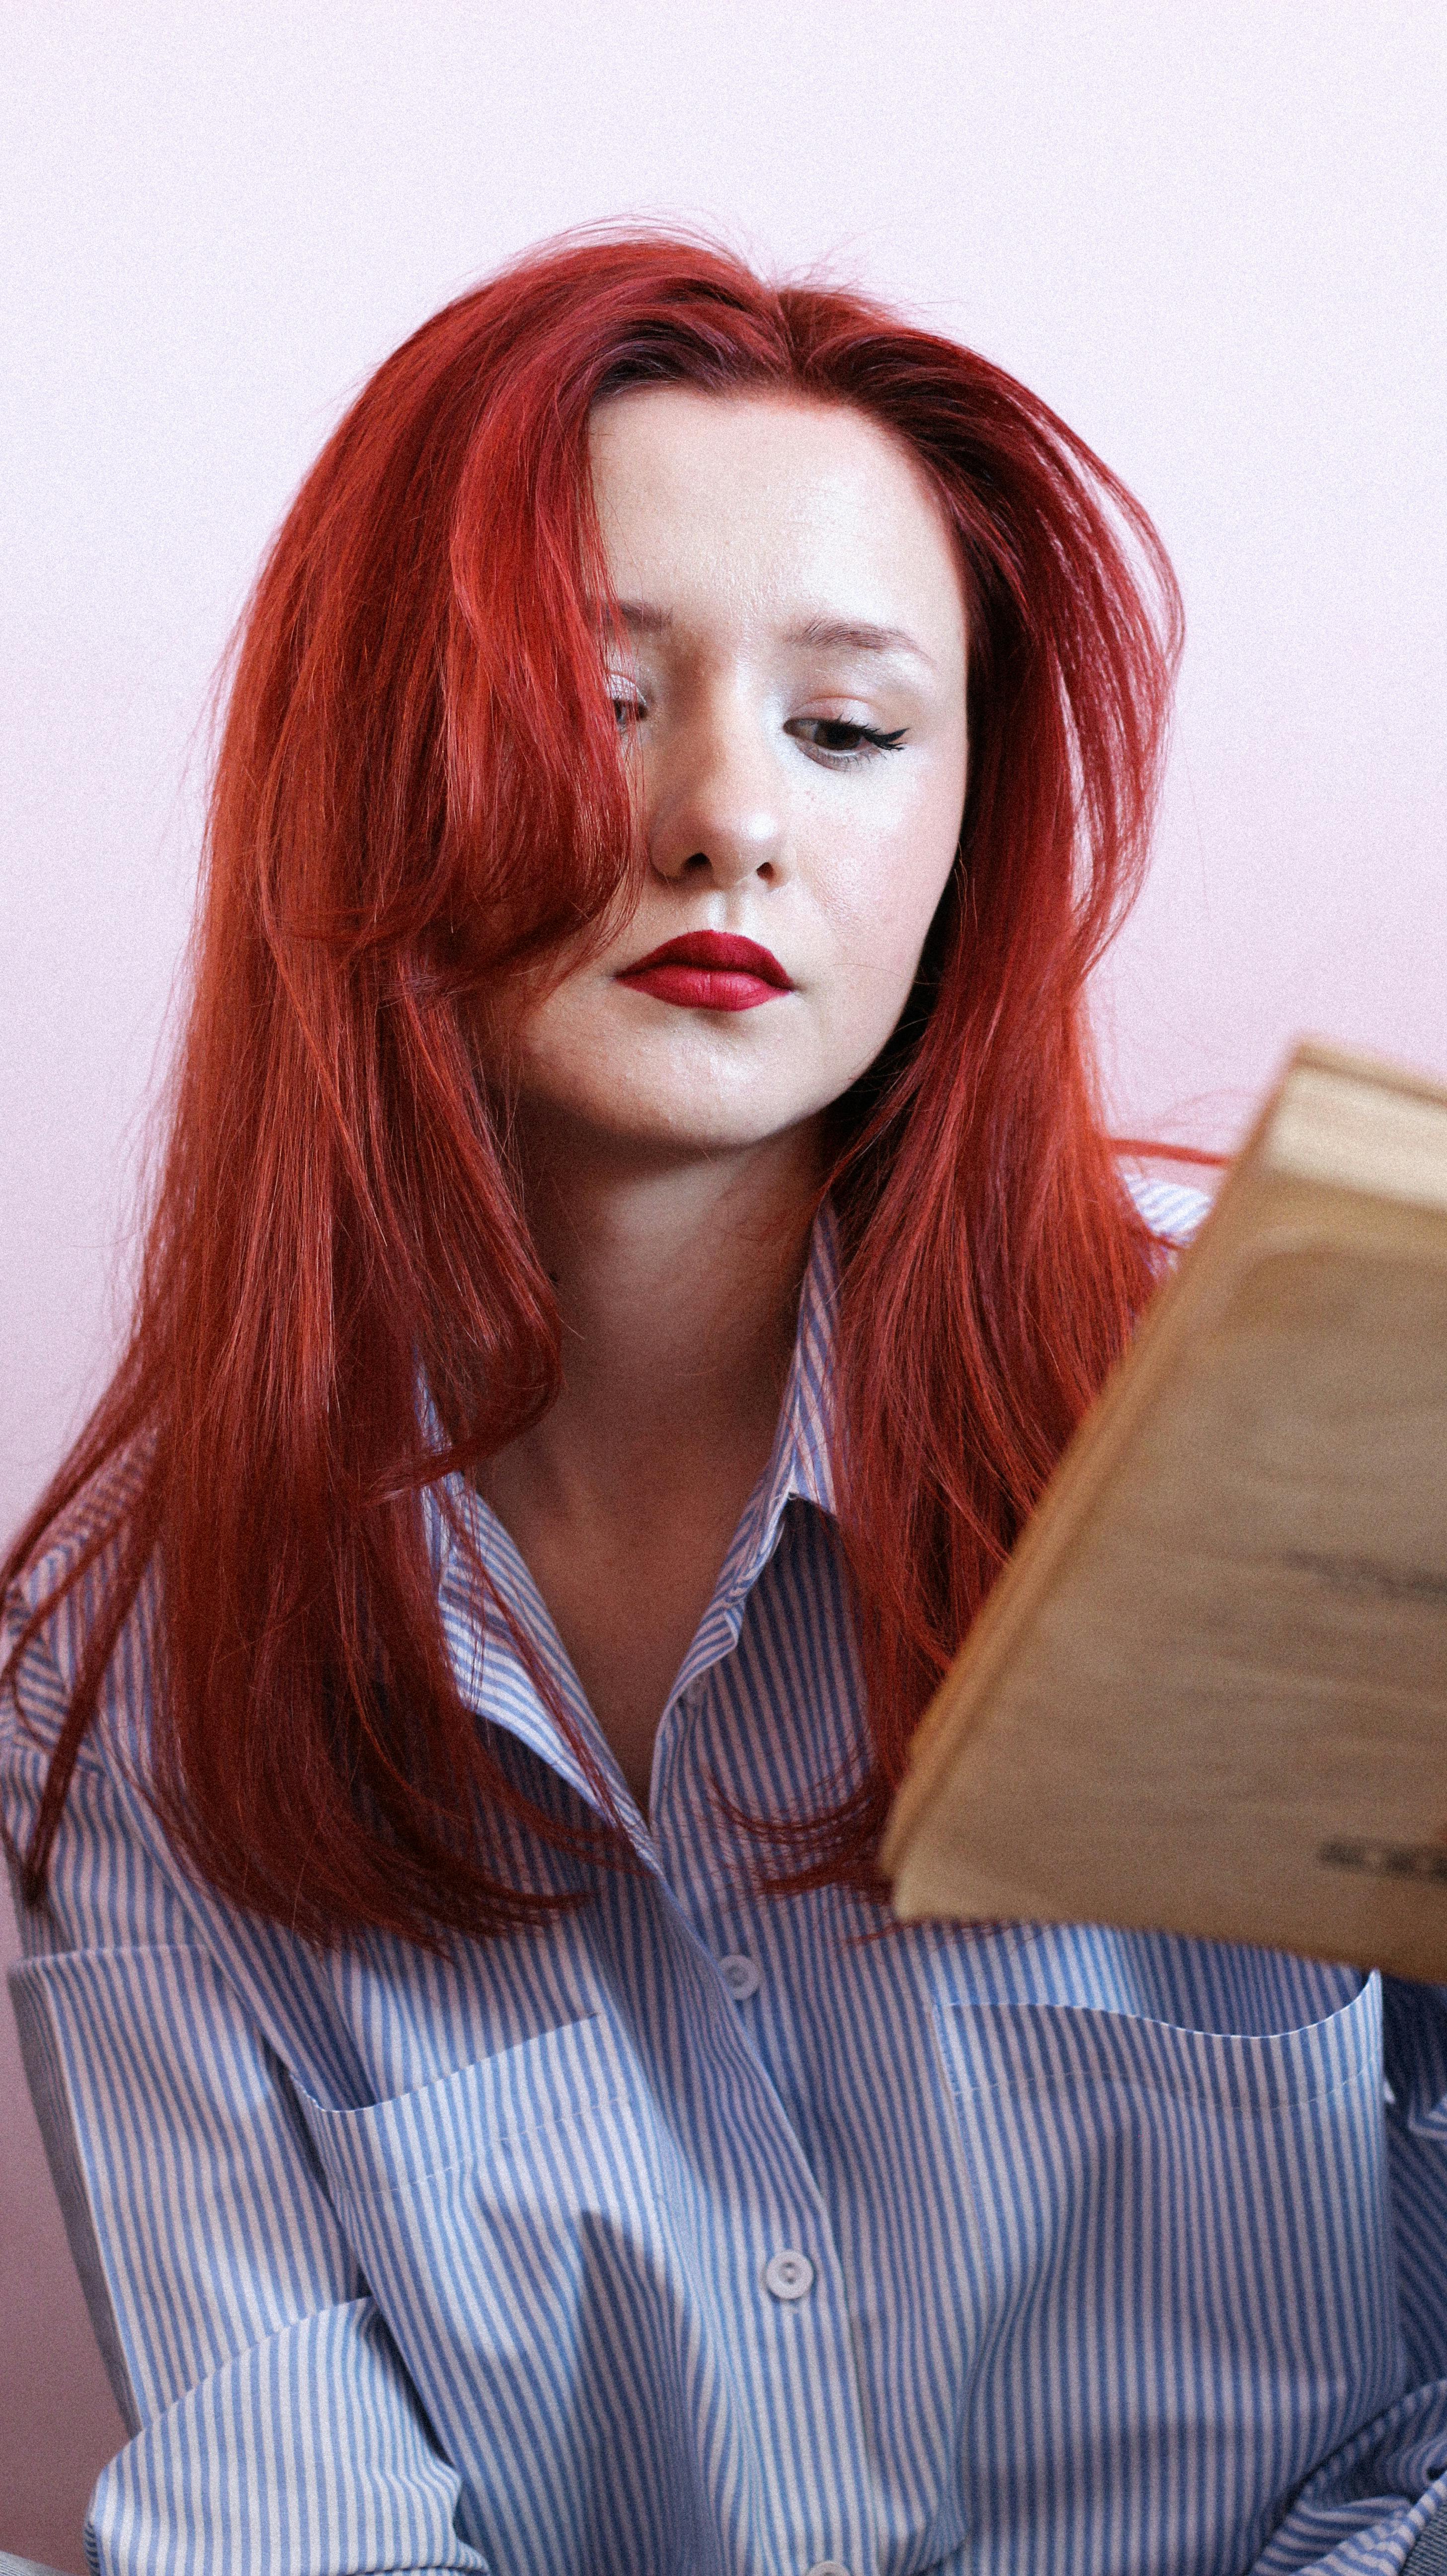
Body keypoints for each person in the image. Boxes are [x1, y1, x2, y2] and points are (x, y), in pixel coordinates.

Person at [4, 230, 1447, 2576]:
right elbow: (297, 2524)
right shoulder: (139, 1665)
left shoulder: (1300, 1398)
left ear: (967, 834)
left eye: (849, 729)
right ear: (370, 773)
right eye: (596, 695)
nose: (723, 820)